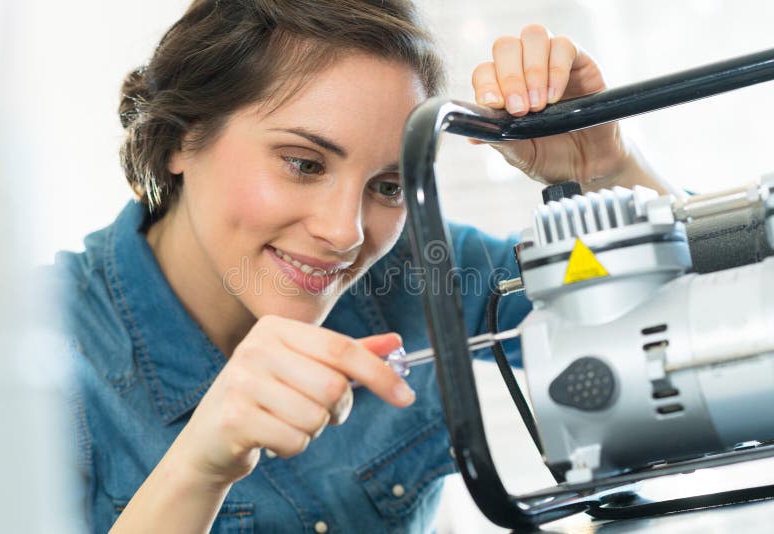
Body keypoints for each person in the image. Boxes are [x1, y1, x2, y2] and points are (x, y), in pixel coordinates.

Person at [44, 1, 680, 532]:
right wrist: (198, 468)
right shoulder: (33, 353)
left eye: (390, 185)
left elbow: (678, 330)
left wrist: (608, 173)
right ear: (184, 135)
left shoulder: (422, 269)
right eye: (304, 163)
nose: (345, 233)